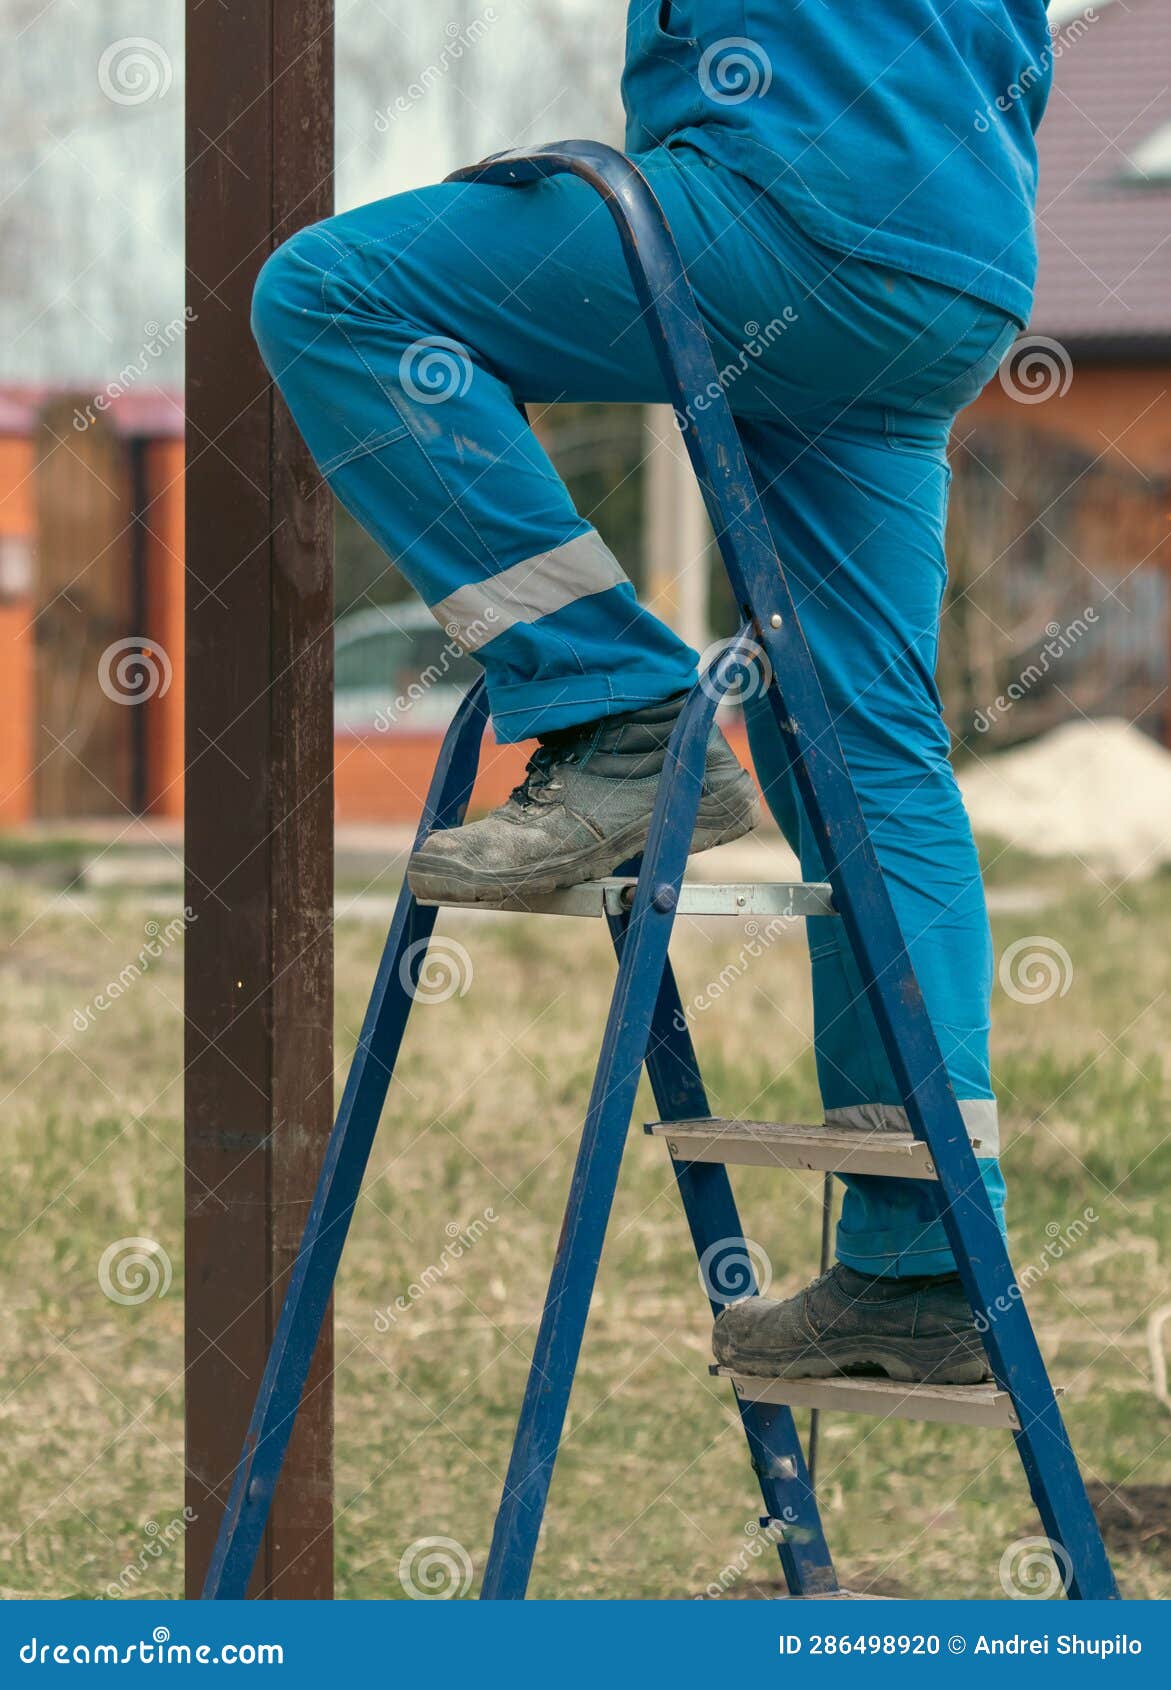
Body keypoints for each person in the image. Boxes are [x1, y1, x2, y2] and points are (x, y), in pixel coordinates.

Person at [250, 2, 1054, 1383]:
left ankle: (613, 696)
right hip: (955, 259)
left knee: (335, 296)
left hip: (796, 204)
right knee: (860, 743)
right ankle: (922, 1268)